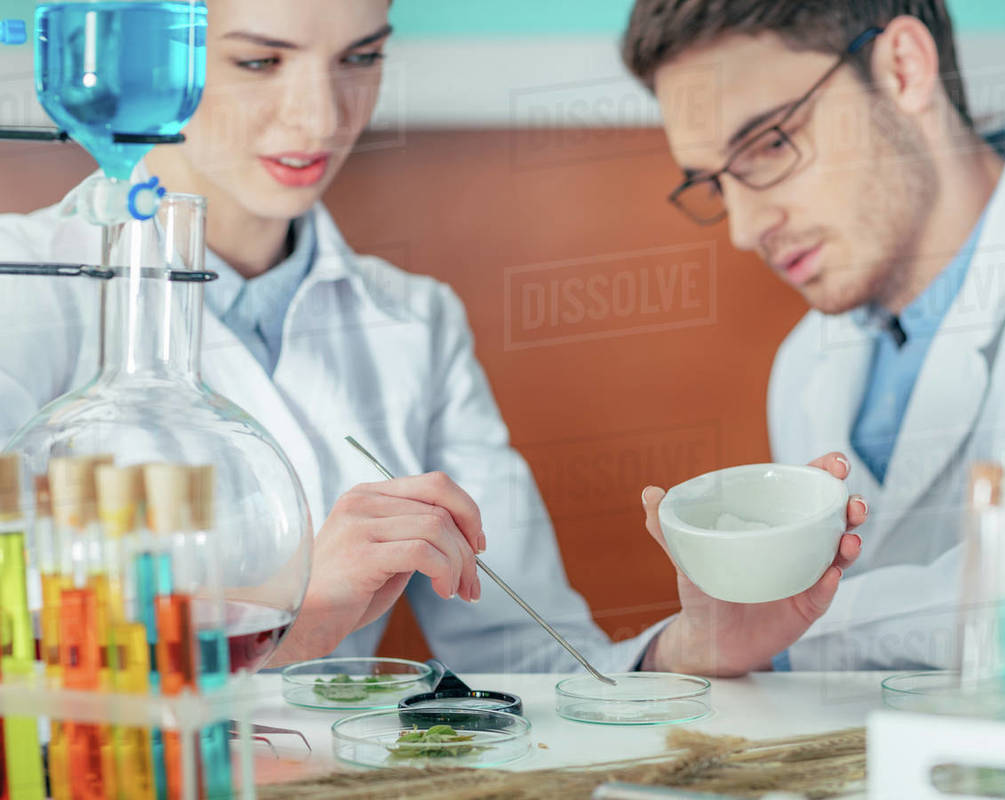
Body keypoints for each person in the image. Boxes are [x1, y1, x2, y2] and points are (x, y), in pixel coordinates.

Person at [0, 0, 866, 672]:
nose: (318, 118)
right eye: (259, 60)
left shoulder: (413, 323)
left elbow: (528, 654)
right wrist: (295, 615)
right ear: (157, 53)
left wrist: (694, 649)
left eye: (361, 58)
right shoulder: (25, 287)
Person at [622, 0, 1005, 671]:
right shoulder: (809, 361)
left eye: (771, 144)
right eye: (716, 184)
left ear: (902, 69)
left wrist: (794, 636)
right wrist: (705, 645)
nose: (746, 229)